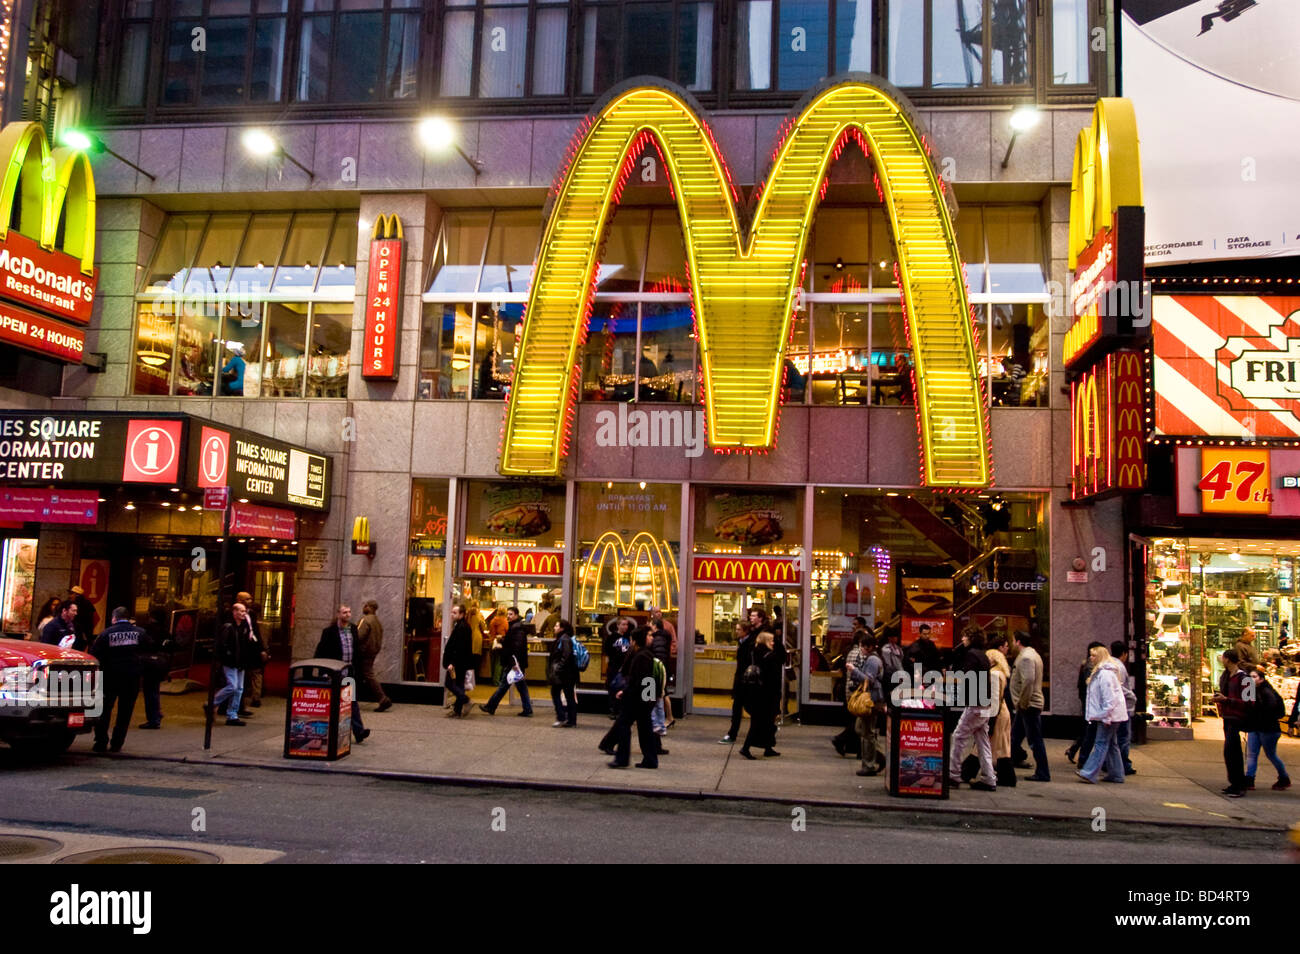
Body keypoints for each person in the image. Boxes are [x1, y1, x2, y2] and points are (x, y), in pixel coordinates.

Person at [88, 607, 149, 754]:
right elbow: (148, 649)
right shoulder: (140, 633)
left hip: (110, 677)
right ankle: (117, 743)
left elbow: (94, 654)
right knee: (125, 712)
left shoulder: (106, 633)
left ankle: (101, 742)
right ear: (128, 618)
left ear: (114, 618)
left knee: (104, 710)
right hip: (131, 678)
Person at [947, 626, 996, 791]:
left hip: (975, 704)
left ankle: (953, 775)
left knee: (959, 736)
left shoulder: (971, 655)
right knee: (983, 742)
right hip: (985, 704)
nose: (962, 640)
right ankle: (989, 778)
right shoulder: (982, 655)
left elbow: (964, 676)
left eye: (965, 637)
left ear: (971, 638)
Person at [314, 604, 371, 743]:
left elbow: (356, 650)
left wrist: (358, 670)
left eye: (349, 612)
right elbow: (321, 651)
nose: (347, 614)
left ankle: (359, 731)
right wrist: (323, 672)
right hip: (334, 672)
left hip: (348, 672)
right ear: (338, 614)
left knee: (351, 702)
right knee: (333, 703)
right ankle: (324, 732)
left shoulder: (352, 629)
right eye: (344, 612)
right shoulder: (329, 632)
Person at [1076, 644, 1128, 784]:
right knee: (1111, 744)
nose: (1091, 658)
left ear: (1099, 657)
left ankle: (1089, 772)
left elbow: (1109, 698)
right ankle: (1117, 774)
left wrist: (1106, 716)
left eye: (1093, 655)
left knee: (1101, 743)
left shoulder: (1104, 674)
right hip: (1111, 715)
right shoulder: (1105, 672)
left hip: (1108, 715)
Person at [606, 628, 658, 768]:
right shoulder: (646, 654)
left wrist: (625, 692)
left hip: (636, 699)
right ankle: (650, 759)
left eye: (631, 640)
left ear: (634, 641)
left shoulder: (641, 656)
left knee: (624, 725)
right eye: (648, 635)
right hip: (644, 698)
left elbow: (639, 680)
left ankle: (622, 758)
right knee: (645, 729)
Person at [1009, 630, 1050, 781]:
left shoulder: (1026, 657)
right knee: (1014, 738)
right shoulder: (1033, 654)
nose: (1012, 643)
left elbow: (1028, 681)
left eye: (1013, 640)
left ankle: (1043, 773)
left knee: (1035, 740)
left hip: (1028, 705)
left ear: (1018, 641)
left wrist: (1022, 702)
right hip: (1026, 705)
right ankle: (1003, 766)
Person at [1212, 649, 1254, 797]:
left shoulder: (1245, 678)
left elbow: (1250, 702)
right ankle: (1234, 782)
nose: (1221, 660)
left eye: (1223, 658)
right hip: (1228, 717)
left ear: (1228, 659)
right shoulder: (1226, 676)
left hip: (1238, 718)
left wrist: (1227, 700)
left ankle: (1239, 784)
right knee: (1229, 752)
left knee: (1233, 751)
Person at [740, 628, 784, 760]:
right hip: (766, 695)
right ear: (765, 641)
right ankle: (746, 747)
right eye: (770, 640)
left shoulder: (754, 652)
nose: (773, 643)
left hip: (756, 693)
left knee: (766, 723)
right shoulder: (770, 656)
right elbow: (778, 667)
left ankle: (768, 747)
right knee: (760, 723)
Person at [1244, 667, 1290, 790]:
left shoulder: (1268, 693)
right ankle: (1249, 779)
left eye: (1254, 677)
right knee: (1252, 754)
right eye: (1250, 677)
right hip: (1256, 727)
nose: (1251, 679)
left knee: (1270, 754)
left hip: (1268, 729)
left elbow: (1274, 710)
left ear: (1261, 679)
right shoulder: (1251, 691)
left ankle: (1284, 777)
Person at [846, 632, 885, 776]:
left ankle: (869, 764)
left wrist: (854, 670)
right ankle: (879, 756)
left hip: (871, 699)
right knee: (860, 728)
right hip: (872, 698)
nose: (860, 649)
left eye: (862, 646)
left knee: (867, 732)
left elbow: (869, 680)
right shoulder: (872, 658)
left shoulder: (873, 660)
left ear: (867, 646)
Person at [482, 607, 533, 717]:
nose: (508, 616)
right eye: (508, 614)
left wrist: (514, 663)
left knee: (504, 685)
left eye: (511, 614)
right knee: (520, 687)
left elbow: (516, 647)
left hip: (514, 663)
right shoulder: (515, 627)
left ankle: (490, 706)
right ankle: (527, 708)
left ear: (516, 615)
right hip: (516, 662)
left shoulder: (517, 628)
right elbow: (513, 643)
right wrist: (503, 640)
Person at [212, 602, 257, 727]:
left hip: (240, 661)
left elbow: (246, 644)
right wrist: (227, 657)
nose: (243, 614)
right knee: (232, 686)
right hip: (231, 661)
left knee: (239, 689)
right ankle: (214, 703)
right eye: (241, 611)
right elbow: (223, 645)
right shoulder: (229, 626)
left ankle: (232, 715)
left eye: (244, 611)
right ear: (234, 612)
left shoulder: (243, 626)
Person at [832, 628, 870, 757]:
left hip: (850, 689)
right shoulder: (859, 653)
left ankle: (852, 746)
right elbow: (858, 673)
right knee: (858, 720)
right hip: (856, 690)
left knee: (856, 719)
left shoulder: (851, 652)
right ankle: (841, 739)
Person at [1066, 643, 1105, 765]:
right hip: (1089, 703)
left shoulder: (1089, 665)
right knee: (1088, 730)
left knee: (1087, 729)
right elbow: (1091, 686)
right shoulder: (1090, 667)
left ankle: (1075, 751)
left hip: (1087, 702)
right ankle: (1080, 756)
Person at [986, 633, 1015, 787]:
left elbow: (995, 699)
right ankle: (1008, 778)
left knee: (984, 745)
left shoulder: (994, 674)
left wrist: (990, 720)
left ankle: (966, 771)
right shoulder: (1001, 673)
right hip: (1002, 712)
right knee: (1003, 747)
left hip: (996, 713)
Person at [356, 599, 393, 712]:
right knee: (365, 675)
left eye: (365, 605)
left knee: (368, 675)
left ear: (368, 607)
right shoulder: (377, 621)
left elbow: (358, 636)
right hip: (372, 652)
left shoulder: (365, 620)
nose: (363, 608)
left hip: (363, 652)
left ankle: (383, 698)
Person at [137, 608, 171, 730]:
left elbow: (143, 644)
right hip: (160, 663)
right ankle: (156, 714)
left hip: (149, 664)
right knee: (154, 690)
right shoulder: (165, 631)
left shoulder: (148, 630)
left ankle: (153, 718)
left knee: (150, 691)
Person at [720, 620, 753, 743]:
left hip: (746, 681)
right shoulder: (742, 642)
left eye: (739, 629)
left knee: (747, 708)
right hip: (741, 680)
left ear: (745, 631)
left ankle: (733, 734)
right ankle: (732, 733)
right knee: (738, 707)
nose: (736, 631)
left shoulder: (749, 644)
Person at [236, 591, 267, 713]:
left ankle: (253, 698)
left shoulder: (251, 614)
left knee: (254, 673)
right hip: (241, 650)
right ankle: (234, 705)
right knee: (238, 681)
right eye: (247, 599)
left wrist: (261, 649)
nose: (250, 601)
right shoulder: (234, 614)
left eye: (250, 599)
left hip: (252, 649)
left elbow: (255, 632)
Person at [1109, 639, 1137, 775]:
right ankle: (1123, 764)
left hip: (1115, 706)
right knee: (1123, 738)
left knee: (1114, 738)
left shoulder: (1110, 665)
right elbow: (1119, 687)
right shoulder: (1119, 667)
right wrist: (1132, 696)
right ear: (1124, 653)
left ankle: (1116, 763)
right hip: (1123, 707)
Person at [443, 603, 475, 718]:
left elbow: (458, 647)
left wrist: (452, 662)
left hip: (457, 662)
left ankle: (465, 700)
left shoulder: (462, 627)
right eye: (452, 612)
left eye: (454, 613)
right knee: (459, 685)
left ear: (462, 614)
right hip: (461, 662)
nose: (452, 614)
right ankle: (457, 710)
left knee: (449, 683)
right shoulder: (461, 625)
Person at [547, 619, 579, 727]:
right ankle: (571, 720)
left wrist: (558, 668)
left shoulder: (564, 639)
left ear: (562, 628)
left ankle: (562, 717)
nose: (554, 628)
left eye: (556, 626)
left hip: (564, 674)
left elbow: (566, 655)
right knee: (569, 696)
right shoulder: (564, 638)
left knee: (557, 693)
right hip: (567, 674)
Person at [603, 616, 633, 720]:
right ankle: (613, 709)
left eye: (627, 624)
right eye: (623, 624)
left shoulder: (629, 637)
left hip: (625, 667)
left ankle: (621, 710)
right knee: (613, 687)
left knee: (623, 688)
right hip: (614, 667)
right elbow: (607, 651)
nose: (625, 627)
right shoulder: (612, 637)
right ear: (618, 625)